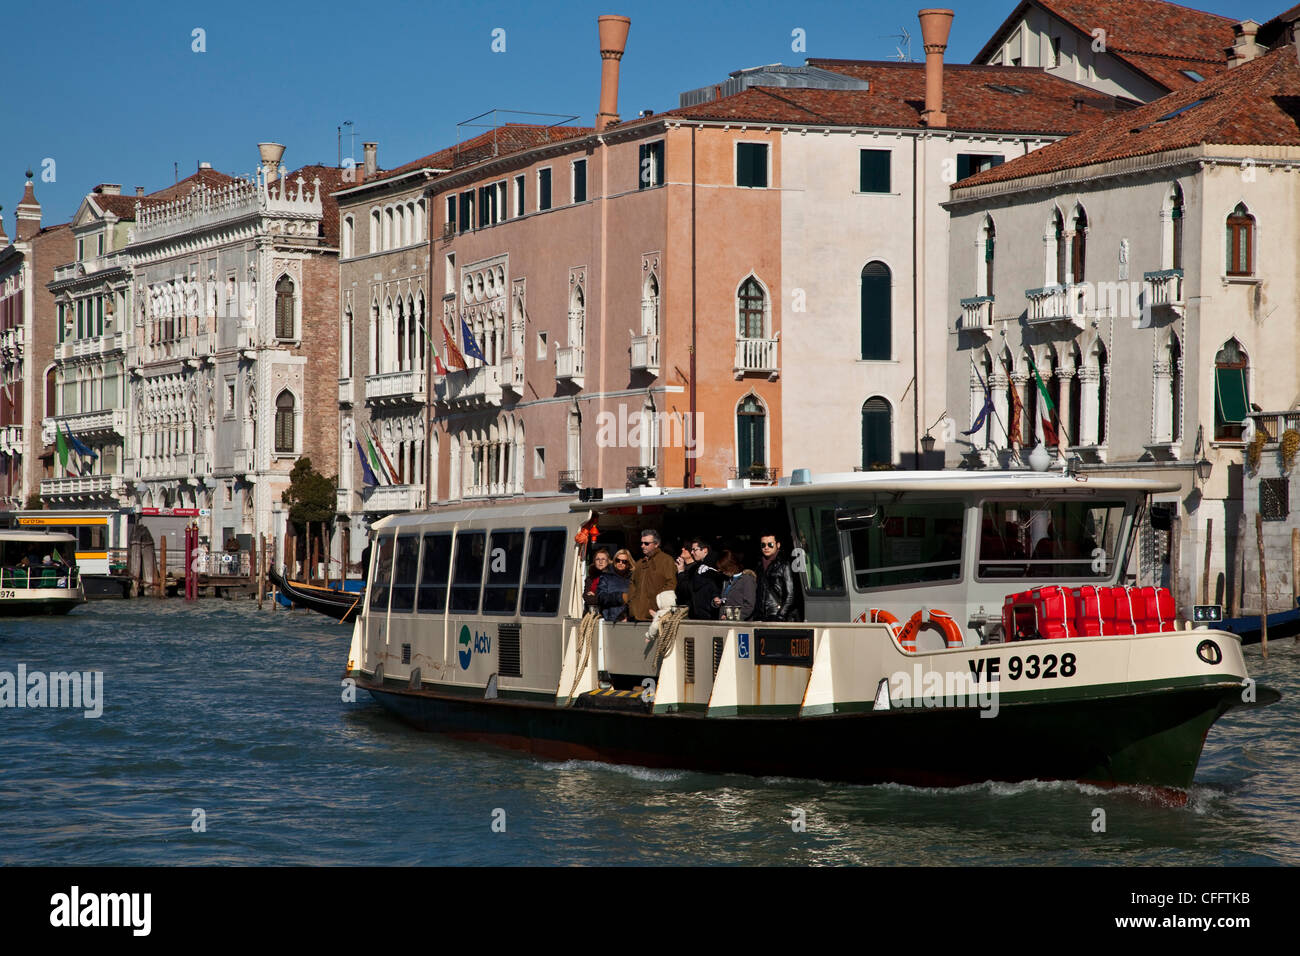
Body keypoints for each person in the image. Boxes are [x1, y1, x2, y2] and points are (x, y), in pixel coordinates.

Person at [626, 529, 677, 621]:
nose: (642, 546)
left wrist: (659, 606)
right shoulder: (639, 563)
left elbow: (671, 585)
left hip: (656, 616)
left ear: (656, 544)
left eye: (646, 543)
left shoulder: (666, 560)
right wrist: (632, 604)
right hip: (637, 616)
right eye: (641, 543)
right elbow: (632, 585)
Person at [756, 533, 800, 621]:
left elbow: (790, 594)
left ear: (778, 545)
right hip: (761, 617)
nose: (766, 547)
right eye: (763, 545)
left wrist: (781, 615)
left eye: (770, 544)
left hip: (777, 615)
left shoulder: (784, 565)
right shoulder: (759, 565)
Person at [683, 537, 724, 619]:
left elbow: (695, 585)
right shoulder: (698, 566)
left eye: (694, 550)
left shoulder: (714, 565)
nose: (692, 552)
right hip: (701, 613)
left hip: (709, 614)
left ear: (705, 550)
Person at [712, 550, 757, 620]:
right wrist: (717, 602)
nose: (721, 571)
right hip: (724, 623)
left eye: (723, 569)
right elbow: (727, 600)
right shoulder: (726, 579)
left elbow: (749, 606)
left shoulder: (747, 580)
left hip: (739, 625)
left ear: (730, 566)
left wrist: (730, 617)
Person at [595, 549, 633, 622]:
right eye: (618, 560)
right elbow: (601, 597)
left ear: (629, 563)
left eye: (624, 561)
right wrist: (620, 597)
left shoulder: (633, 577)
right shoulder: (606, 577)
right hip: (611, 619)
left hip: (630, 619)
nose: (620, 563)